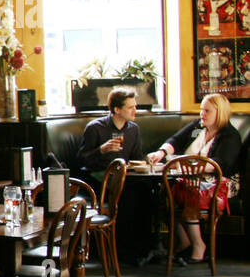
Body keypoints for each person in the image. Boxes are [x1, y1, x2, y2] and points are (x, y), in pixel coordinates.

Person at [146, 93, 243, 263]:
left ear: (219, 113)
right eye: (201, 110)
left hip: (222, 182)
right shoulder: (198, 127)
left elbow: (220, 164)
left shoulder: (229, 136)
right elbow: (176, 140)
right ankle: (184, 240)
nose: (202, 114)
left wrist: (183, 165)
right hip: (190, 177)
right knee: (165, 191)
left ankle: (199, 245)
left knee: (188, 189)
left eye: (207, 111)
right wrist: (161, 153)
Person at [78, 86, 145, 176]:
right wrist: (101, 150)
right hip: (100, 176)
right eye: (130, 108)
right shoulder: (95, 127)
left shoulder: (133, 129)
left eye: (135, 107)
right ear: (117, 110)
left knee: (146, 184)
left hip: (125, 176)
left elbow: (137, 159)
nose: (135, 111)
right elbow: (81, 161)